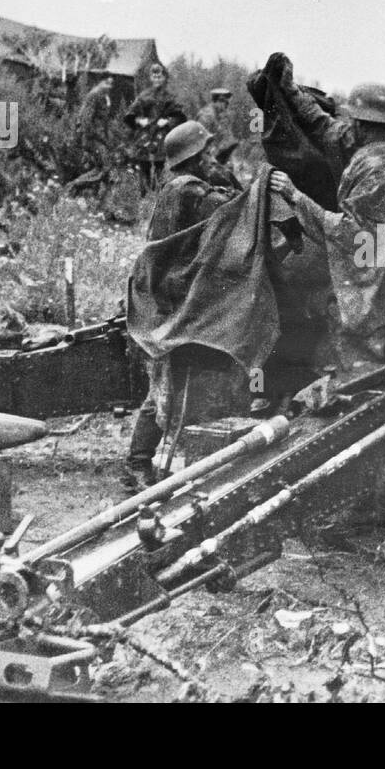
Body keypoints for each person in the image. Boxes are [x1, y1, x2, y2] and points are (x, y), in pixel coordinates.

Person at [265, 54, 385, 369]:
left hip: (376, 268)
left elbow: (352, 234)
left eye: (352, 121)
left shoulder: (381, 171)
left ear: (361, 124)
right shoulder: (372, 147)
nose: (347, 126)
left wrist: (296, 197)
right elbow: (323, 126)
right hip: (380, 256)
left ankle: (358, 365)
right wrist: (290, 90)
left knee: (313, 296)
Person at [124, 120, 240, 491]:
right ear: (195, 156)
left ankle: (143, 462)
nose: (211, 157)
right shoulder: (189, 191)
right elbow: (233, 208)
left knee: (167, 385)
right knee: (168, 385)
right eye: (206, 152)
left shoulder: (175, 188)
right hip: (176, 305)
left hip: (169, 300)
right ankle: (137, 465)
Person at [123, 63, 187, 190]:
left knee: (160, 166)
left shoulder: (170, 97)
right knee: (143, 166)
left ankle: (158, 195)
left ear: (164, 78)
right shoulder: (143, 96)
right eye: (154, 76)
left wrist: (168, 122)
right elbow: (129, 115)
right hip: (145, 135)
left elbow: (180, 117)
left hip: (161, 135)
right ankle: (144, 196)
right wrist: (139, 120)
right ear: (150, 78)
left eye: (159, 77)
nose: (157, 79)